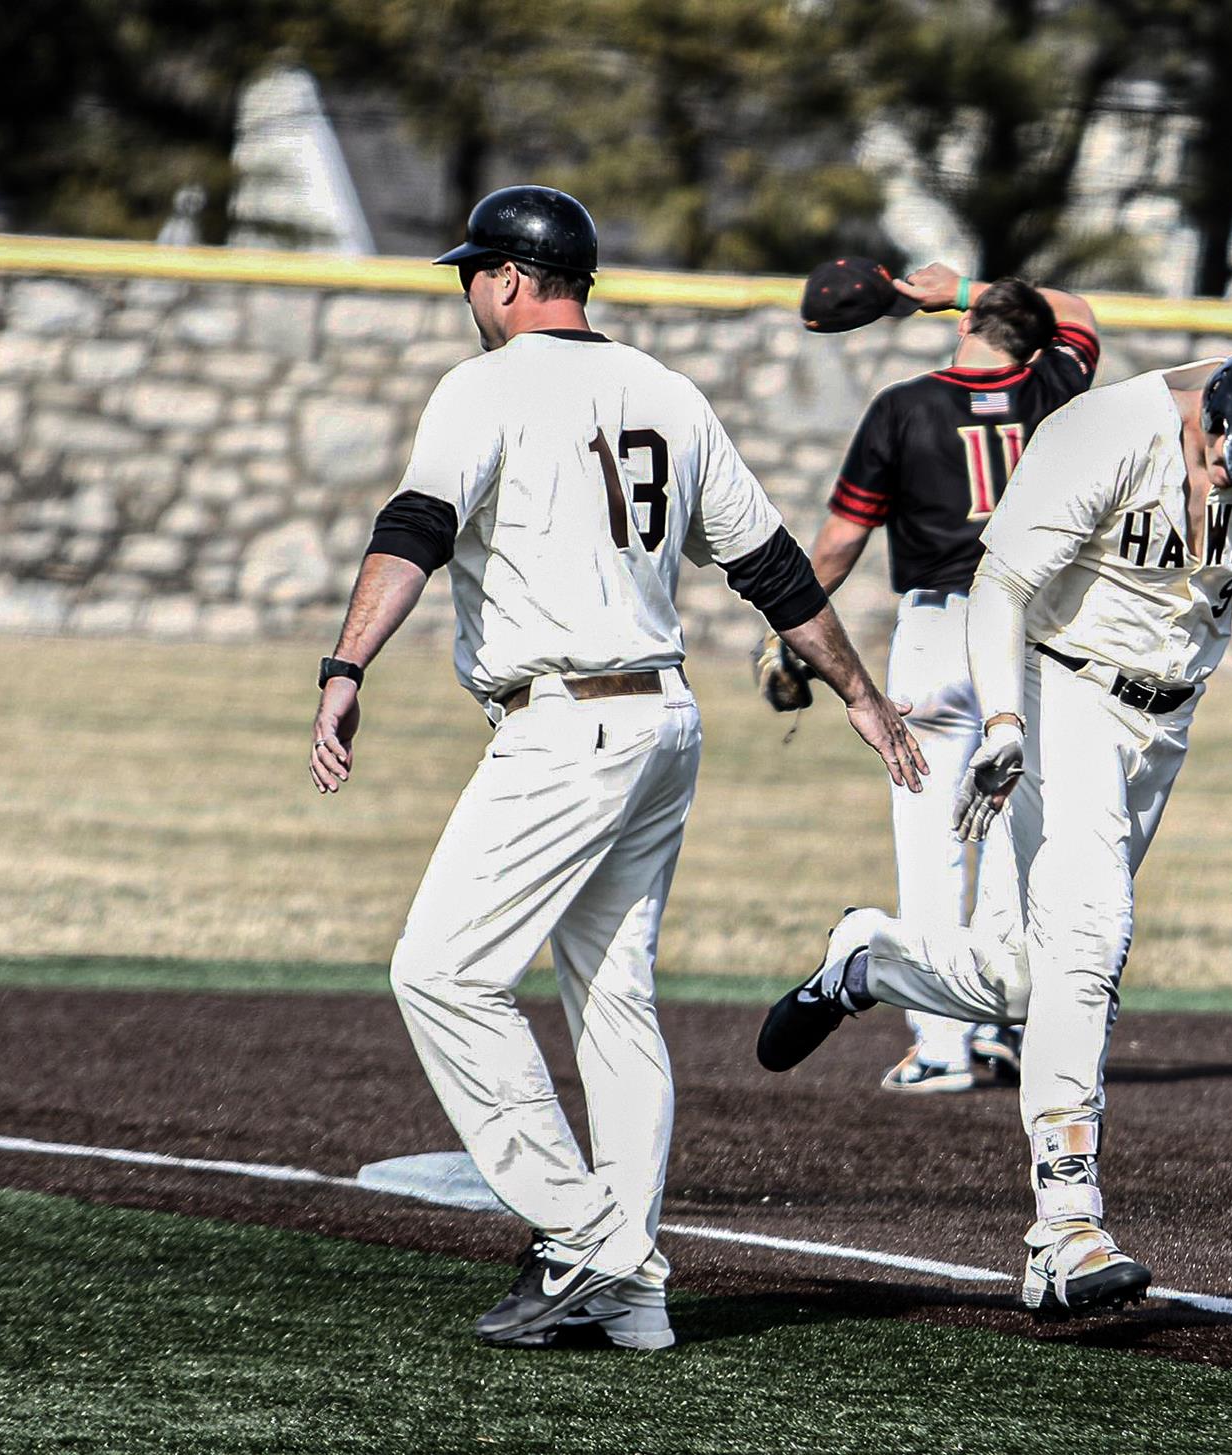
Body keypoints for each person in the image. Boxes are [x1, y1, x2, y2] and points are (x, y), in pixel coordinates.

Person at [308, 185, 926, 1350]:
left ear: (504, 278)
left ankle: (589, 1236)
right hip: (663, 723)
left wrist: (346, 662)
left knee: (441, 973)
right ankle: (632, 1299)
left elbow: (414, 528)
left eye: (470, 275)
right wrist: (859, 692)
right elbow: (774, 567)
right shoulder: (664, 390)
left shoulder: (482, 387)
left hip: (568, 727)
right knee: (612, 998)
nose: (467, 295)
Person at [755, 338, 1232, 1319]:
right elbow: (998, 585)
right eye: (1227, 461)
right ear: (1216, 412)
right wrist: (1001, 721)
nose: (1231, 486)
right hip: (1057, 689)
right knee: (1091, 937)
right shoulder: (1104, 433)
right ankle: (1064, 1229)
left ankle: (865, 962)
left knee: (1017, 979)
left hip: (1160, 728)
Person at [762, 258, 1099, 1094]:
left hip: (940, 636)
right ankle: (999, 1030)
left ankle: (943, 1042)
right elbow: (1076, 309)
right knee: (1026, 845)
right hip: (1035, 636)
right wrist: (956, 288)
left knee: (934, 851)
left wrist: (788, 635)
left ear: (963, 330)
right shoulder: (1059, 384)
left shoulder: (904, 407)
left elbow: (839, 543)